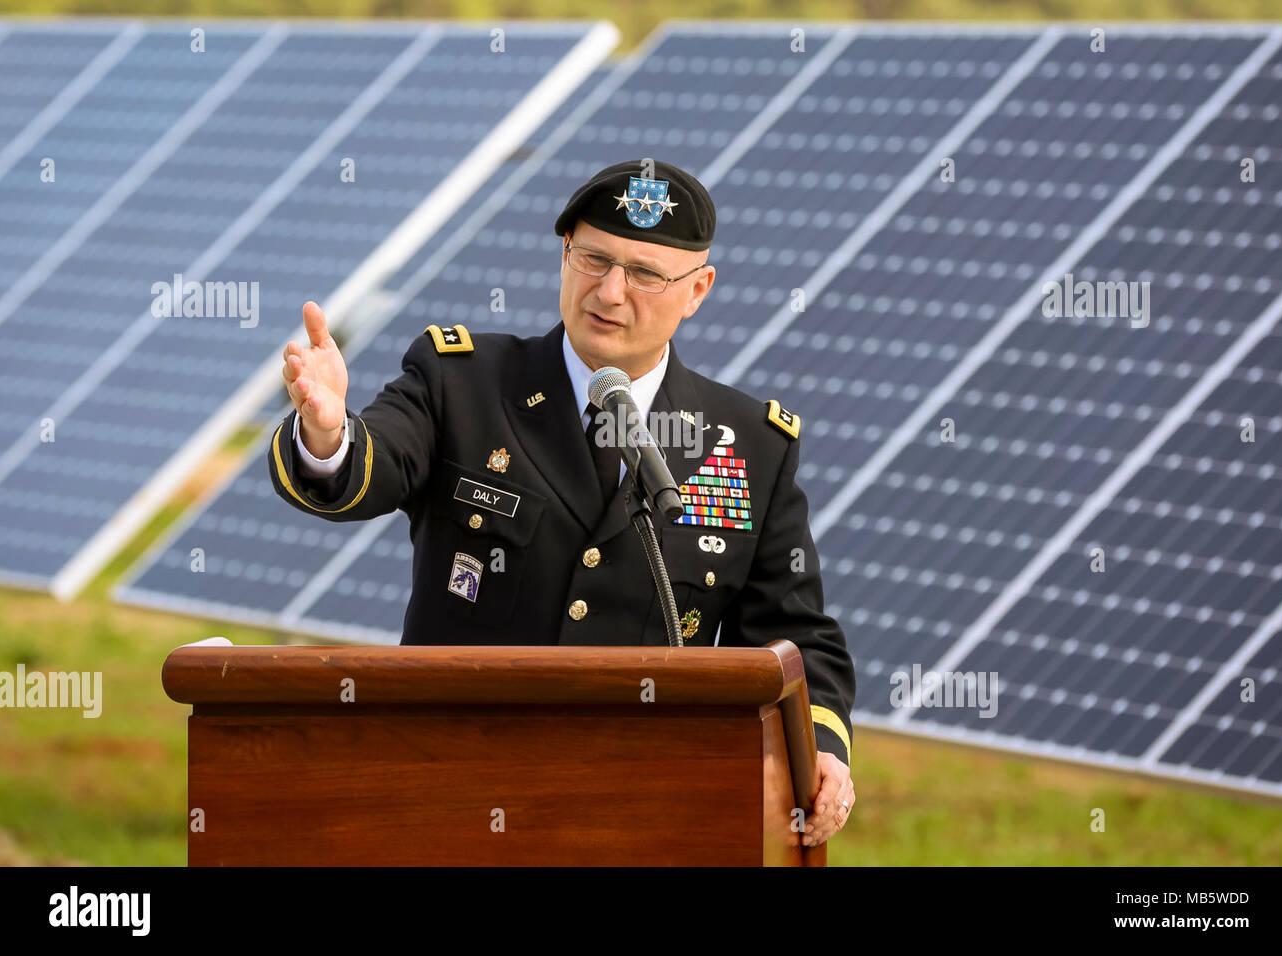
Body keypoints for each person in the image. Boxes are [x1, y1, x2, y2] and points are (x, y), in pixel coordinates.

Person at [269, 159, 857, 848]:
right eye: (593, 259)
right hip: (452, 798)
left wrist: (819, 749)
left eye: (643, 273)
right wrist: (328, 431)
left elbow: (796, 633)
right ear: (563, 259)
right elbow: (372, 467)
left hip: (639, 816)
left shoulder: (748, 442)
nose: (610, 291)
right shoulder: (462, 380)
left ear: (697, 291)